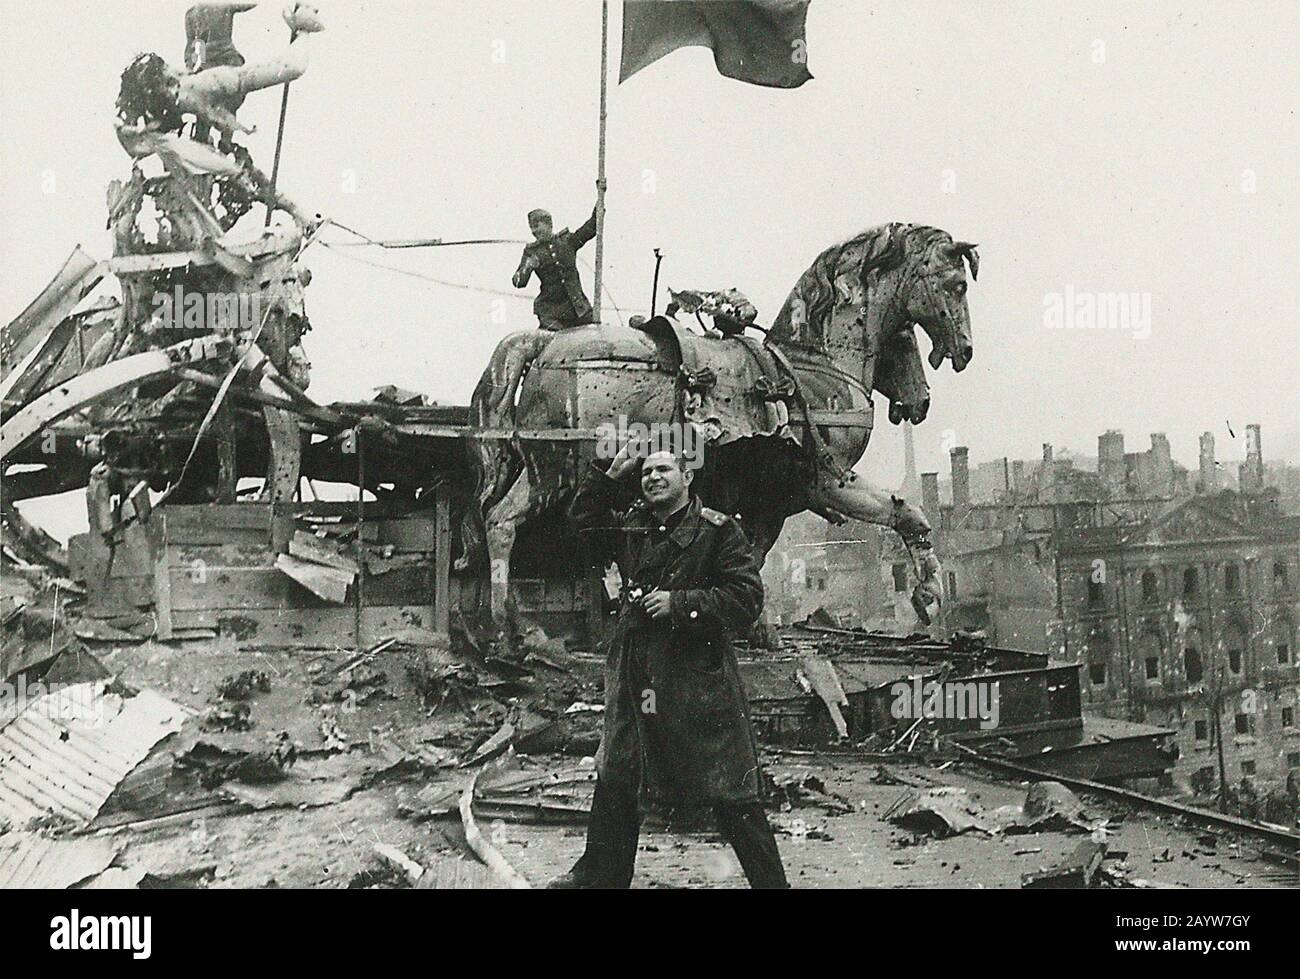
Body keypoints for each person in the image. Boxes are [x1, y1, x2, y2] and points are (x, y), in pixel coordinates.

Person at [551, 439, 789, 888]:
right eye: (646, 473)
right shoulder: (633, 527)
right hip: (638, 675)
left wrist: (681, 605)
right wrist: (607, 479)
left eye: (664, 469)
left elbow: (746, 598)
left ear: (688, 477)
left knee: (731, 787)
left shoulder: (717, 532)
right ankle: (601, 878)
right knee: (620, 772)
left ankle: (772, 885)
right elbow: (581, 525)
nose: (653, 478)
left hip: (697, 680)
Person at [512, 197, 600, 331]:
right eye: (531, 228)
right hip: (551, 314)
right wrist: (527, 267)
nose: (533, 231)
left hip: (578, 310)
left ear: (549, 225)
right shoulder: (531, 252)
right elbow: (518, 282)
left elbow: (591, 228)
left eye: (536, 226)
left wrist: (600, 201)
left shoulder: (568, 242)